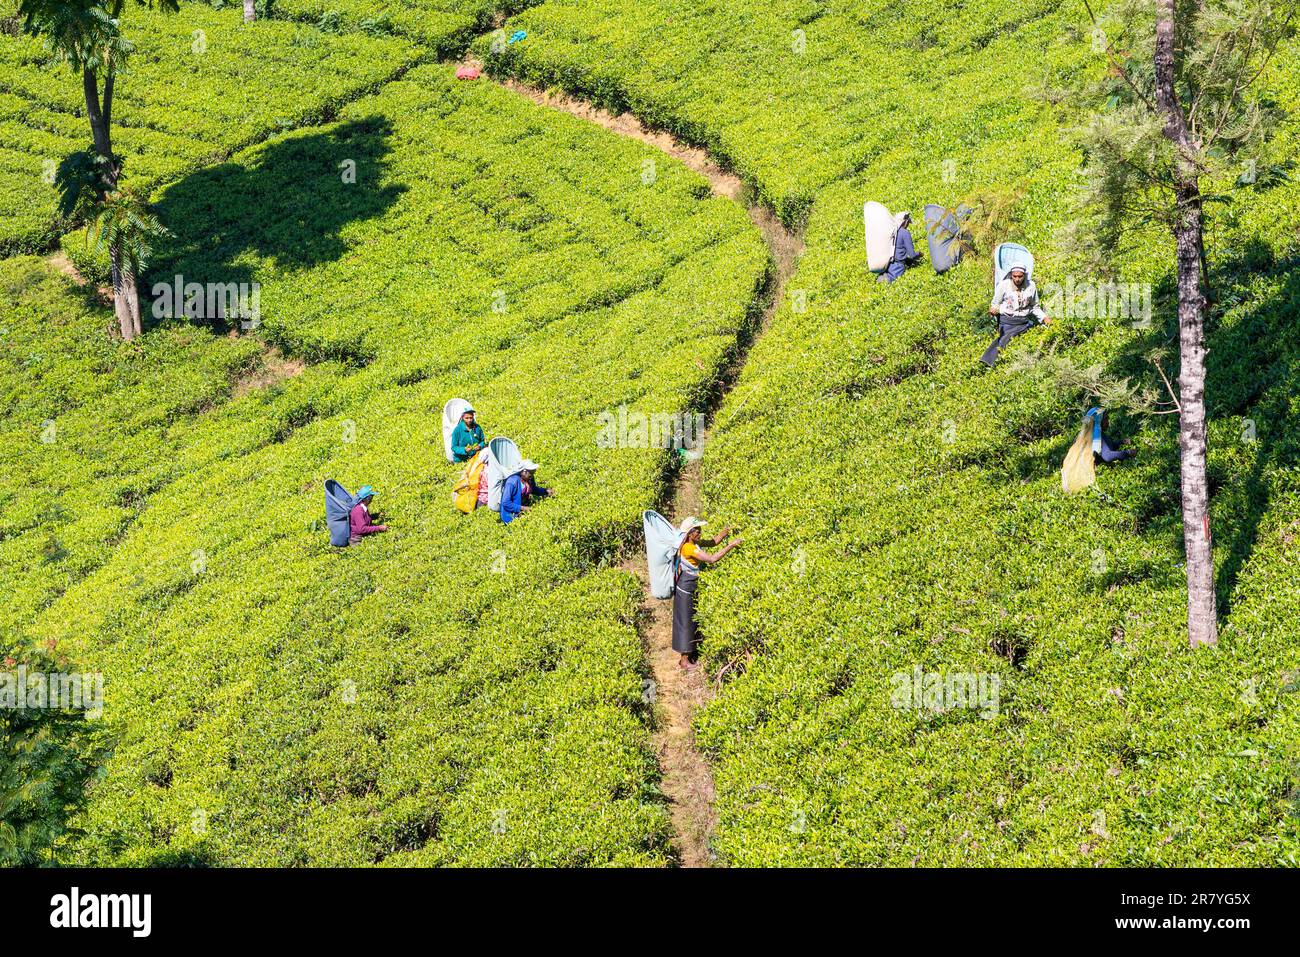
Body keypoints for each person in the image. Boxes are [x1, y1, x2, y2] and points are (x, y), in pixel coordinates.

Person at [672, 517, 742, 671]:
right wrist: (731, 545)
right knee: (686, 623)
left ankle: (690, 656)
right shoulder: (688, 548)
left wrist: (727, 531)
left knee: (692, 621)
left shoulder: (694, 543)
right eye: (697, 531)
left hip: (691, 585)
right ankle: (684, 662)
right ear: (690, 533)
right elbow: (711, 559)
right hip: (685, 587)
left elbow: (713, 542)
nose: (700, 533)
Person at [981, 264, 1051, 365]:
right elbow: (996, 304)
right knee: (1005, 338)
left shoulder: (1031, 286)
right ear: (1011, 275)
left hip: (1023, 321)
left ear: (1024, 275)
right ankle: (988, 361)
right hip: (1007, 321)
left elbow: (1035, 307)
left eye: (1020, 276)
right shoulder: (1003, 285)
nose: (1017, 279)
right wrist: (993, 310)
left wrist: (1044, 318)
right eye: (1015, 276)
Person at [498, 459, 553, 524]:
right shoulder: (512, 481)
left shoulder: (529, 478)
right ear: (524, 471)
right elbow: (506, 503)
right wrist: (523, 508)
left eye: (533, 473)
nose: (532, 475)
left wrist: (546, 491)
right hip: (510, 516)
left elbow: (534, 489)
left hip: (523, 511)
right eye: (531, 473)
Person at [879, 211, 923, 283]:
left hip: (887, 264)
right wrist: (919, 254)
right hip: (897, 266)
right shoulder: (905, 233)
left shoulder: (892, 232)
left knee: (882, 278)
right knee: (889, 281)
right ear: (905, 221)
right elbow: (912, 255)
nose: (908, 224)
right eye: (908, 222)